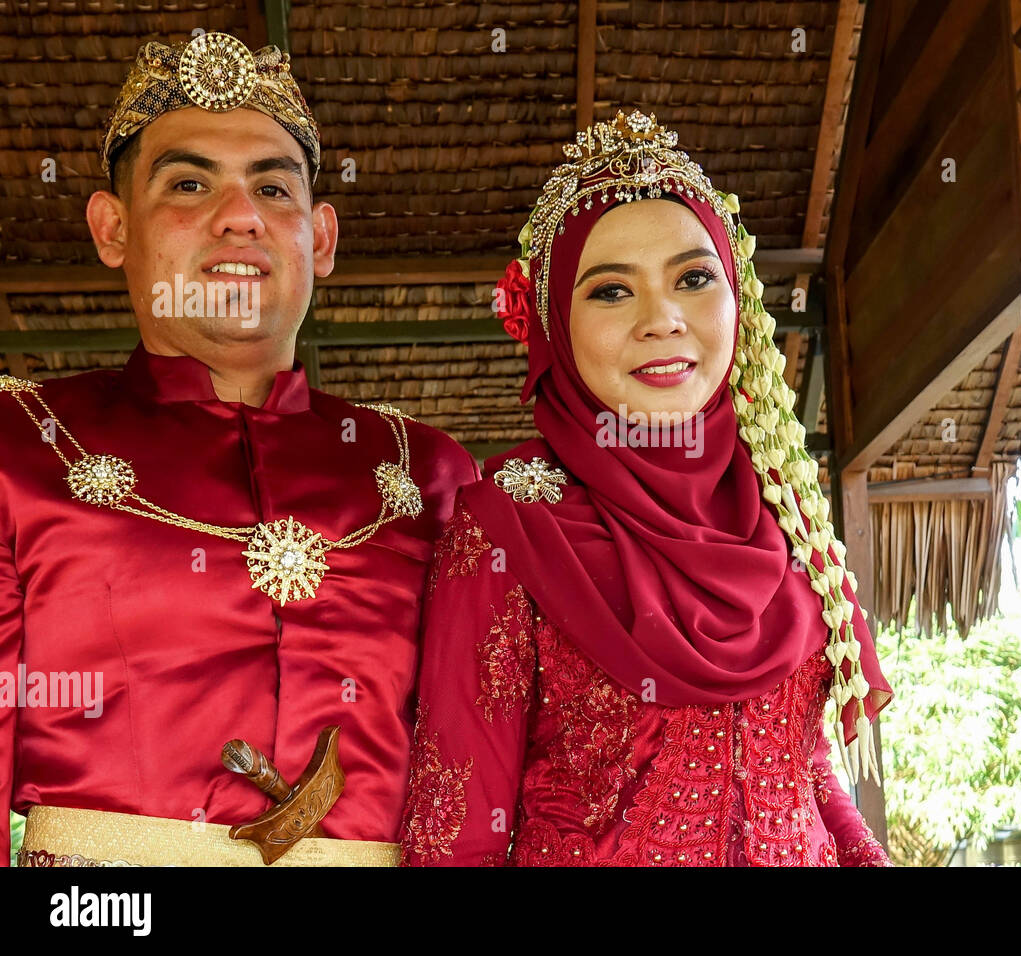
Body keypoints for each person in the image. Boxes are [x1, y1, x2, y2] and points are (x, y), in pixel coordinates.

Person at [0, 31, 476, 866]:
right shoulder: (21, 443)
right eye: (190, 183)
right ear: (112, 228)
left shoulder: (429, 470)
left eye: (272, 187)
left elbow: (484, 756)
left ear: (320, 240)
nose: (241, 216)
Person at [400, 110, 894, 866]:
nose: (662, 320)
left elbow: (801, 769)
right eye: (609, 292)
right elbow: (455, 829)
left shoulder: (786, 507)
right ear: (553, 325)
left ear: (738, 301)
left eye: (694, 278)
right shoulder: (509, 524)